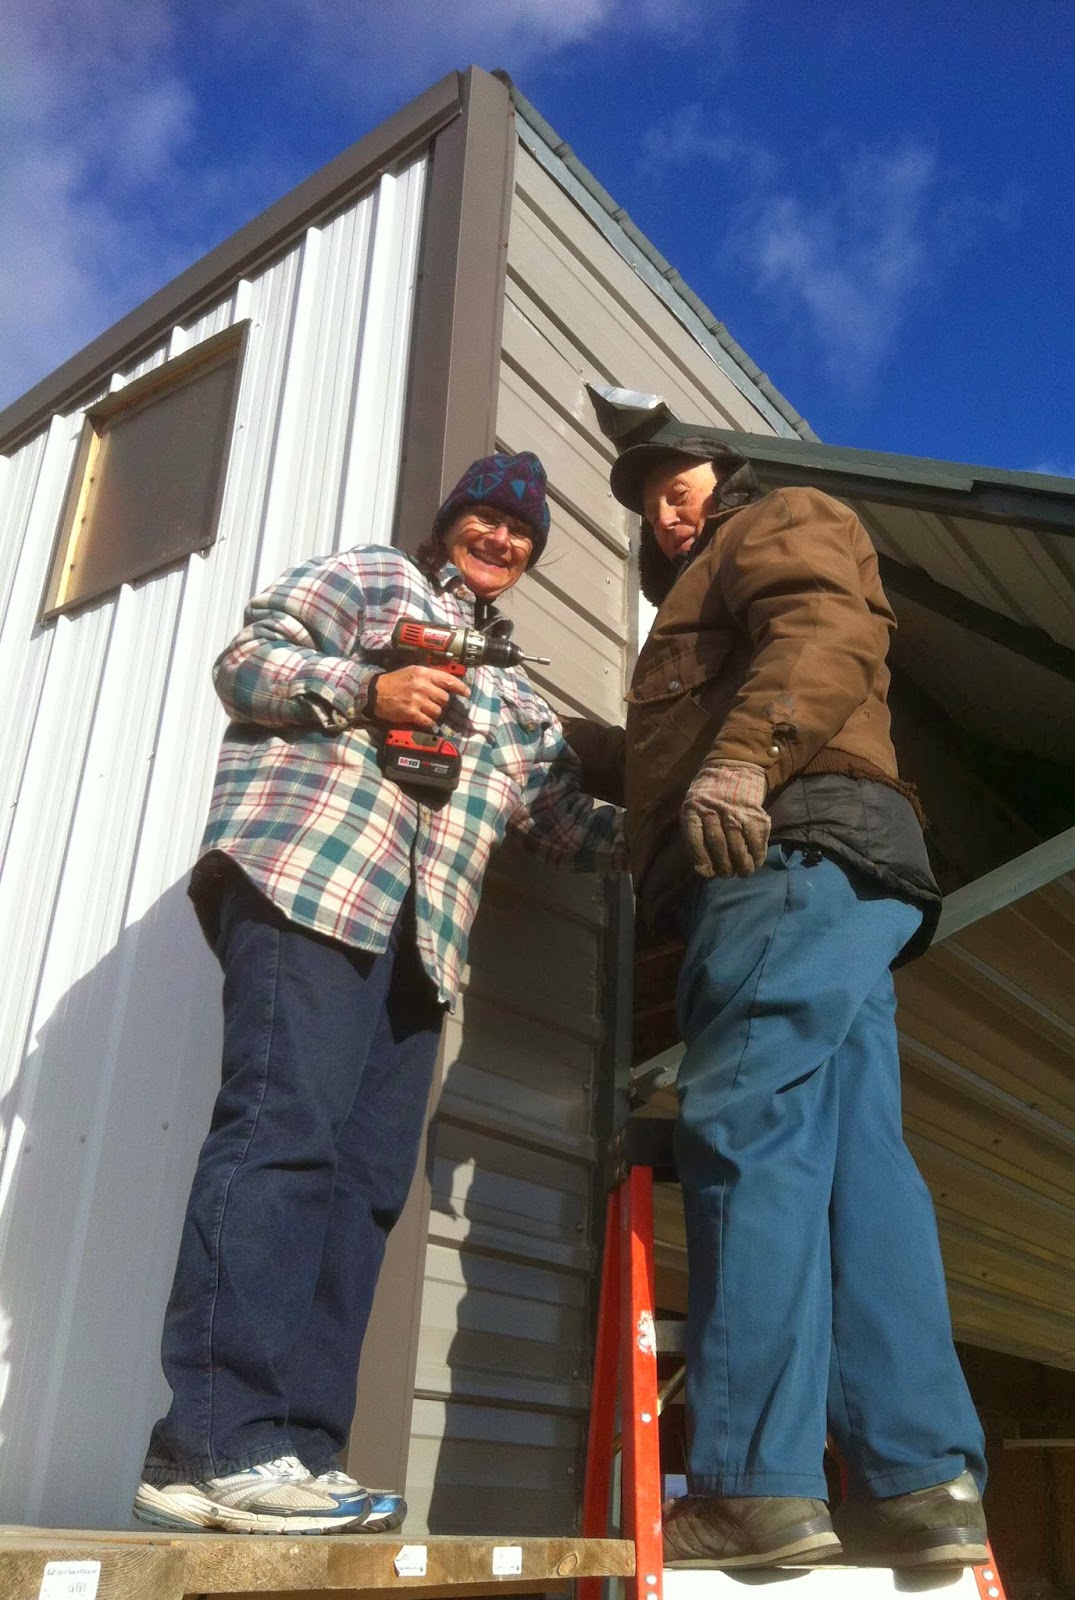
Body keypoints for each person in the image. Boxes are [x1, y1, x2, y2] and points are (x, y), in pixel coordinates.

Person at [134, 452, 622, 1536]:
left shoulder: (514, 696)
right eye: (485, 516)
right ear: (449, 523)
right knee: (282, 1140)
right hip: (314, 883)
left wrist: (675, 827)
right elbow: (245, 663)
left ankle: (301, 1454)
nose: (500, 538)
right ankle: (207, 1447)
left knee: (362, 1191)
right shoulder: (371, 578)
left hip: (422, 942)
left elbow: (559, 820)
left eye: (520, 532)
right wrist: (368, 687)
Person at [564, 437, 987, 1569]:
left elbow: (827, 627)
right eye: (652, 505)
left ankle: (756, 1483)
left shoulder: (777, 518)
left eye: (678, 486)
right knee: (857, 1164)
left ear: (724, 477)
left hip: (777, 855)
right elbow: (673, 752)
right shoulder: (715, 614)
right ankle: (919, 1481)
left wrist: (746, 759)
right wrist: (568, 744)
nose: (666, 511)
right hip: (839, 872)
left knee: (748, 1129)